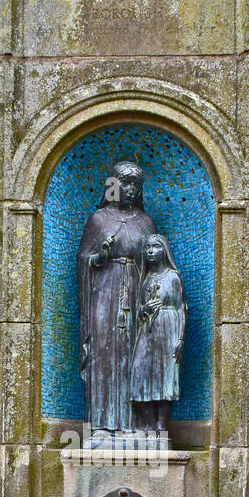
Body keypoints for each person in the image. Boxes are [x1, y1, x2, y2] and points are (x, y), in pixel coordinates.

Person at [77, 162, 156, 434]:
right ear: (113, 186)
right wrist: (99, 257)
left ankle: (136, 423)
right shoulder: (98, 219)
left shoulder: (146, 222)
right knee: (104, 353)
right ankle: (101, 423)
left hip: (135, 292)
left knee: (136, 355)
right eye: (126, 183)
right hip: (104, 292)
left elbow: (156, 263)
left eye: (136, 185)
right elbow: (83, 260)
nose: (131, 189)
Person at [130, 233, 187, 434]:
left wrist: (180, 337)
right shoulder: (145, 278)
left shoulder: (172, 277)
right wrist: (143, 310)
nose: (150, 251)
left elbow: (181, 307)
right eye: (147, 248)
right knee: (139, 372)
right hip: (148, 330)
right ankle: (148, 423)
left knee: (166, 376)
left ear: (165, 250)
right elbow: (138, 309)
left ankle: (161, 427)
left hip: (168, 328)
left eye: (155, 247)